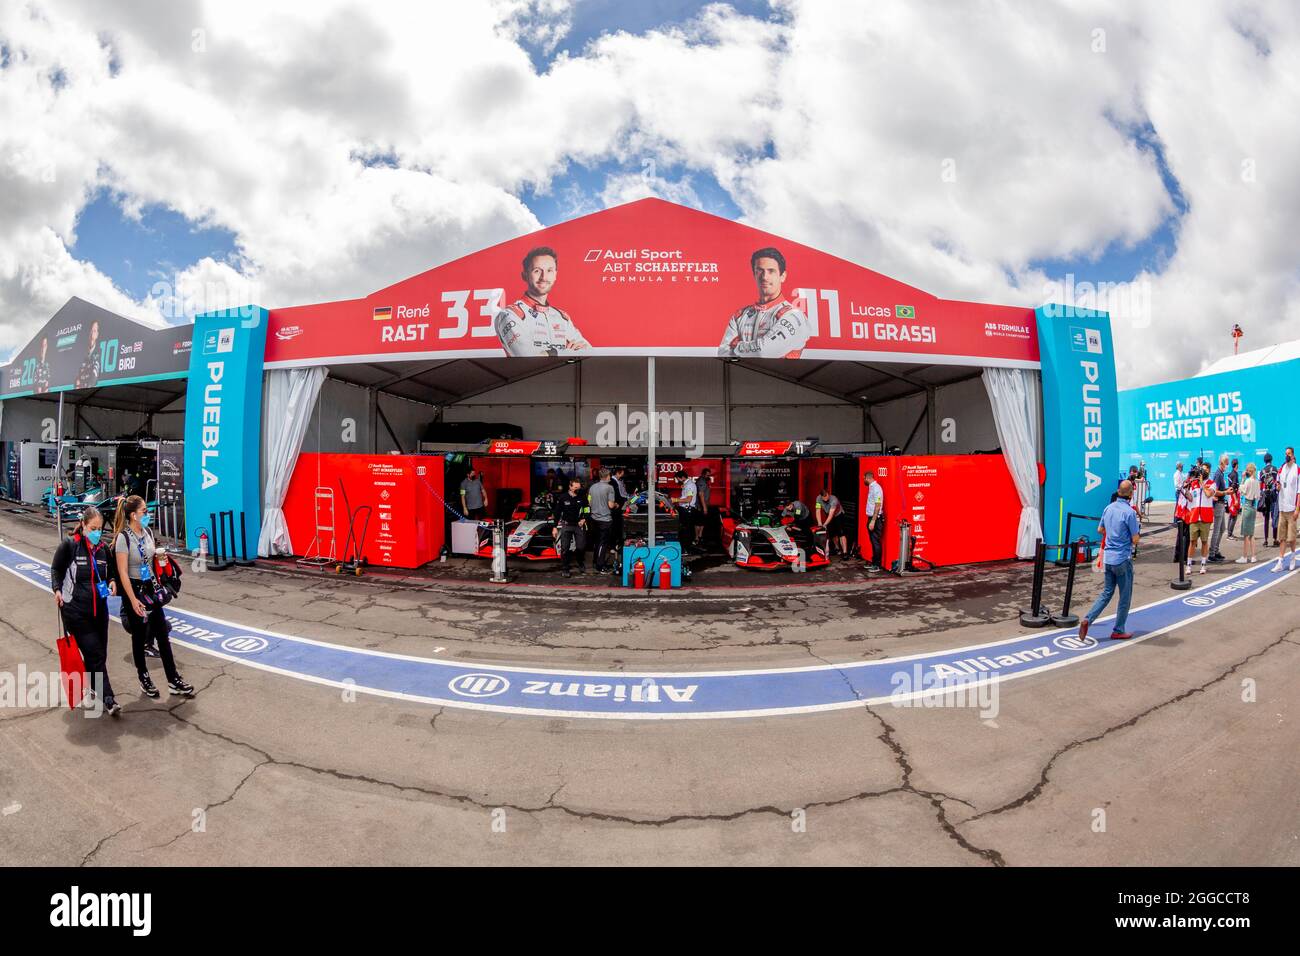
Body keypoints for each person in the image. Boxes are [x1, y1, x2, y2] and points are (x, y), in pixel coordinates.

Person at [112, 495, 194, 698]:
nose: (147, 515)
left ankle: (173, 679)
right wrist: (132, 600)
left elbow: (151, 561)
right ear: (133, 515)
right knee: (139, 638)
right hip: (134, 590)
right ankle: (144, 678)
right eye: (144, 512)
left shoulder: (147, 532)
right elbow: (122, 572)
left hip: (151, 589)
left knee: (162, 636)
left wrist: (162, 560)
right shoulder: (123, 538)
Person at [50, 505, 120, 716]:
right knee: (95, 653)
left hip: (100, 610)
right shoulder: (70, 545)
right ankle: (109, 699)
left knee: (99, 654)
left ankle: (94, 686)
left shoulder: (104, 549)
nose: (97, 532)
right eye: (93, 528)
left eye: (100, 528)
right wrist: (57, 589)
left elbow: (111, 572)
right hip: (75, 611)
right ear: (83, 525)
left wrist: (113, 581)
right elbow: (56, 568)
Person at [717, 247, 812, 359]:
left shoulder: (794, 315)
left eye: (771, 271)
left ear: (782, 276)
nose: (764, 277)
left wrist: (736, 347)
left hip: (776, 376)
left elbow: (764, 352)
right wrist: (757, 346)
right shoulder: (740, 315)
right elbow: (722, 353)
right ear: (754, 274)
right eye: (760, 271)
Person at [494, 246, 590, 357]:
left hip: (564, 374)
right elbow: (527, 359)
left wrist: (548, 353)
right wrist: (566, 352)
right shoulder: (511, 315)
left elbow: (590, 352)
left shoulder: (562, 317)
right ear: (524, 276)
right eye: (537, 271)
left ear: (555, 275)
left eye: (549, 270)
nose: (544, 277)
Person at [1079, 480, 1141, 641]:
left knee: (1106, 592)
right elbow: (1135, 539)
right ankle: (1118, 630)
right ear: (1131, 494)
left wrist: (1113, 533)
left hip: (1108, 558)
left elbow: (1100, 529)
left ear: (1118, 492)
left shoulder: (1109, 508)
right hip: (1122, 558)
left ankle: (1088, 619)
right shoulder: (1129, 512)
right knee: (1125, 597)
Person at [1180, 463, 1216, 574]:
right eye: (1202, 470)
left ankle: (1203, 564)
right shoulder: (1194, 483)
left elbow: (1209, 494)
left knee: (1204, 542)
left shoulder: (1212, 483)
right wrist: (1184, 490)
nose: (1202, 472)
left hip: (1206, 517)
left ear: (1209, 471)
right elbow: (1191, 498)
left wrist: (1201, 483)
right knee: (1192, 541)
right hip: (1194, 516)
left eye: (1205, 470)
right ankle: (1189, 565)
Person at [552, 477, 589, 577]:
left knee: (581, 547)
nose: (578, 489)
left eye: (579, 487)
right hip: (567, 525)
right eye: (576, 487)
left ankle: (580, 563)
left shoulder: (582, 496)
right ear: (570, 487)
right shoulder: (563, 497)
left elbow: (587, 509)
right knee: (565, 548)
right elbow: (557, 512)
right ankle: (565, 569)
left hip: (578, 525)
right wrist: (554, 527)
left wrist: (584, 519)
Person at [1272, 446, 1298, 573]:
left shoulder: (1297, 470)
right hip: (1282, 507)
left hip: (1292, 508)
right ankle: (1280, 562)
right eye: (1285, 454)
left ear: (1293, 455)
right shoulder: (1281, 469)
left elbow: (1299, 492)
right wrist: (1277, 487)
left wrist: (1297, 509)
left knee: (1292, 537)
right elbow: (1279, 486)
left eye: (1288, 454)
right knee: (1282, 537)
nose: (1286, 456)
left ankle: (1293, 557)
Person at [586, 468, 618, 573]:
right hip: (605, 519)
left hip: (593, 519)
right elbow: (610, 505)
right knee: (603, 543)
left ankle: (596, 562)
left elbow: (589, 502)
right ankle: (600, 566)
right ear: (607, 476)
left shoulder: (592, 487)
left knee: (597, 542)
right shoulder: (610, 488)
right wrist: (616, 504)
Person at [815, 483, 848, 559]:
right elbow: (817, 511)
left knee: (841, 533)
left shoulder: (834, 499)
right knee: (832, 533)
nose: (825, 498)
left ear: (828, 494)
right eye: (824, 497)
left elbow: (831, 514)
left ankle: (845, 552)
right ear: (821, 496)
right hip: (829, 514)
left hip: (838, 515)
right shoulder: (818, 499)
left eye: (826, 496)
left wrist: (825, 524)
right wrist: (820, 523)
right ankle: (837, 548)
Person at [1236, 462, 1260, 564]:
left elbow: (1241, 491)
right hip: (1253, 507)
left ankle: (1245, 557)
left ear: (1248, 471)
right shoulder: (1256, 482)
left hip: (1247, 506)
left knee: (1246, 534)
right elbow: (1258, 495)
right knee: (1251, 534)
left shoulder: (1248, 481)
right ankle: (1253, 556)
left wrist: (1242, 479)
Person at [1208, 454, 1230, 561]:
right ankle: (1212, 553)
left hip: (1221, 504)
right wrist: (1226, 491)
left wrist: (1226, 490)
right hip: (1218, 505)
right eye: (1226, 463)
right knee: (1217, 530)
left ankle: (1215, 550)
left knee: (1222, 529)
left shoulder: (1220, 474)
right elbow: (1215, 491)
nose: (1227, 466)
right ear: (1222, 463)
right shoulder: (1218, 474)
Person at [862, 469, 885, 571]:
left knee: (875, 541)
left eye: (864, 478)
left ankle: (877, 565)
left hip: (875, 519)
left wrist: (873, 521)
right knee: (873, 541)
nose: (863, 480)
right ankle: (874, 562)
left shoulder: (876, 488)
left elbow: (878, 505)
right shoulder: (872, 488)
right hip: (872, 518)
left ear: (868, 478)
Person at [674, 472, 701, 552]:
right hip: (685, 509)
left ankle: (685, 549)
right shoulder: (687, 484)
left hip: (687, 510)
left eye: (678, 478)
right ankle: (685, 548)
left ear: (682, 477)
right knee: (685, 530)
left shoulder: (689, 485)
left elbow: (688, 499)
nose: (677, 480)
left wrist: (675, 499)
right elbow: (684, 497)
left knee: (685, 530)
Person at [1259, 453, 1279, 547]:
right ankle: (1275, 539)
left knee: (1266, 518)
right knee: (1274, 517)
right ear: (1271, 460)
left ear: (1264, 460)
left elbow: (1260, 486)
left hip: (1265, 496)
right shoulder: (1275, 469)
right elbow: (1277, 482)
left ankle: (1266, 540)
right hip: (1274, 495)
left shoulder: (1262, 471)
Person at [1226, 458, 1241, 539]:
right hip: (1233, 496)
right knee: (1234, 516)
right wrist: (1235, 499)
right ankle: (1229, 534)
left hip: (1230, 496)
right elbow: (1233, 487)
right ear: (1237, 465)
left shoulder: (1231, 473)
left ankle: (1229, 533)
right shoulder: (1234, 474)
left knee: (1231, 515)